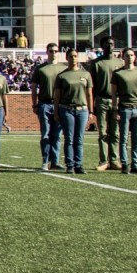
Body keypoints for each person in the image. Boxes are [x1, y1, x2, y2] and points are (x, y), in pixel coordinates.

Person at [54, 48, 94, 175]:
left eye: (75, 56)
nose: (73, 58)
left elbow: (89, 94)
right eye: (70, 56)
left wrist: (91, 111)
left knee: (79, 139)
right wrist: (56, 112)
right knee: (69, 139)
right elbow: (57, 96)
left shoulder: (86, 74)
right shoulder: (62, 75)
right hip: (67, 109)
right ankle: (70, 164)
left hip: (82, 110)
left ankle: (79, 164)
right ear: (67, 58)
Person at [86, 36, 123, 171]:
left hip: (116, 101)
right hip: (101, 99)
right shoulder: (96, 64)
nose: (110, 46)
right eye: (107, 44)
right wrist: (93, 104)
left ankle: (114, 159)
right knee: (102, 132)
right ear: (102, 46)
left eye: (112, 44)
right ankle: (103, 160)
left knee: (116, 132)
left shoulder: (120, 63)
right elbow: (92, 86)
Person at [112, 47, 137, 174]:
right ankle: (124, 164)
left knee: (136, 139)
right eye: (127, 55)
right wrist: (115, 110)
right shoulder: (118, 73)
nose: (129, 57)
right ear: (123, 57)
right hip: (124, 109)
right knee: (123, 139)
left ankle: (135, 164)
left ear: (135, 57)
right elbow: (114, 93)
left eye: (132, 55)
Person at [31, 43, 66, 171]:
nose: (54, 53)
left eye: (56, 51)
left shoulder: (64, 68)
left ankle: (55, 161)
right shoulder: (40, 69)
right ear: (47, 52)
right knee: (45, 134)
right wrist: (34, 103)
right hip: (45, 103)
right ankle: (45, 161)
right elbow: (34, 87)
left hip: (60, 104)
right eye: (51, 51)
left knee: (57, 135)